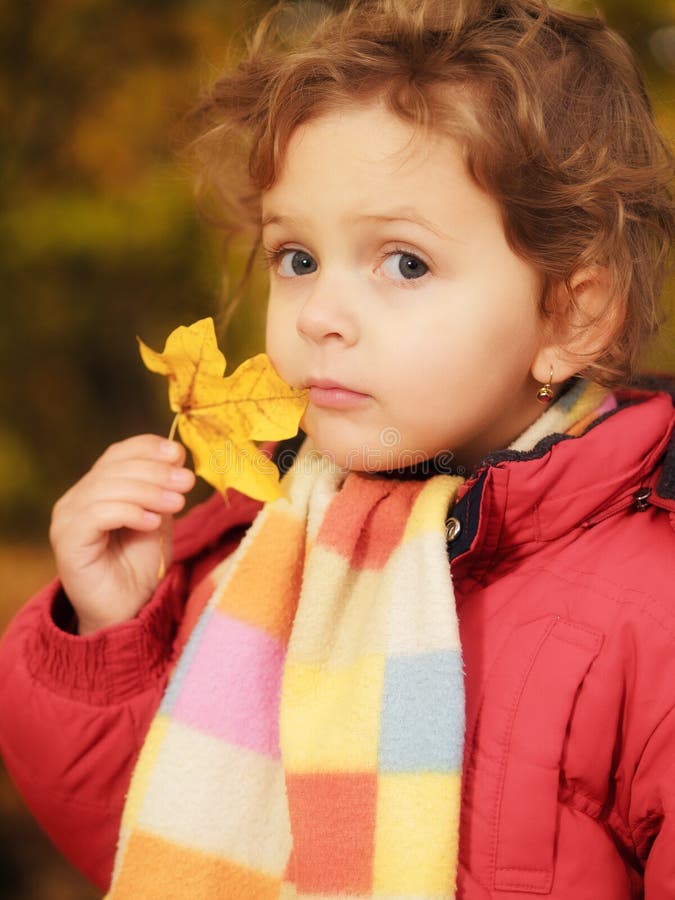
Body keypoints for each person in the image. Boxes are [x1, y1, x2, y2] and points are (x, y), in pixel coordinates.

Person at [1, 0, 674, 896]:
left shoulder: (647, 612)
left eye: (403, 262)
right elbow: (162, 842)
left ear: (571, 313)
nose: (318, 316)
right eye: (297, 258)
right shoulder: (264, 545)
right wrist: (112, 636)